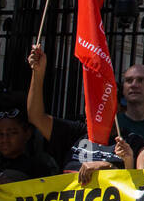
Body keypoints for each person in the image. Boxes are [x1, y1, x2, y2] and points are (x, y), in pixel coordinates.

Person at [26, 44, 126, 182]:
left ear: (118, 108)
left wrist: (108, 167)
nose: (95, 107)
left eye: (102, 101)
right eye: (91, 101)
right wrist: (38, 72)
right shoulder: (75, 133)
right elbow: (36, 117)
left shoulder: (129, 141)